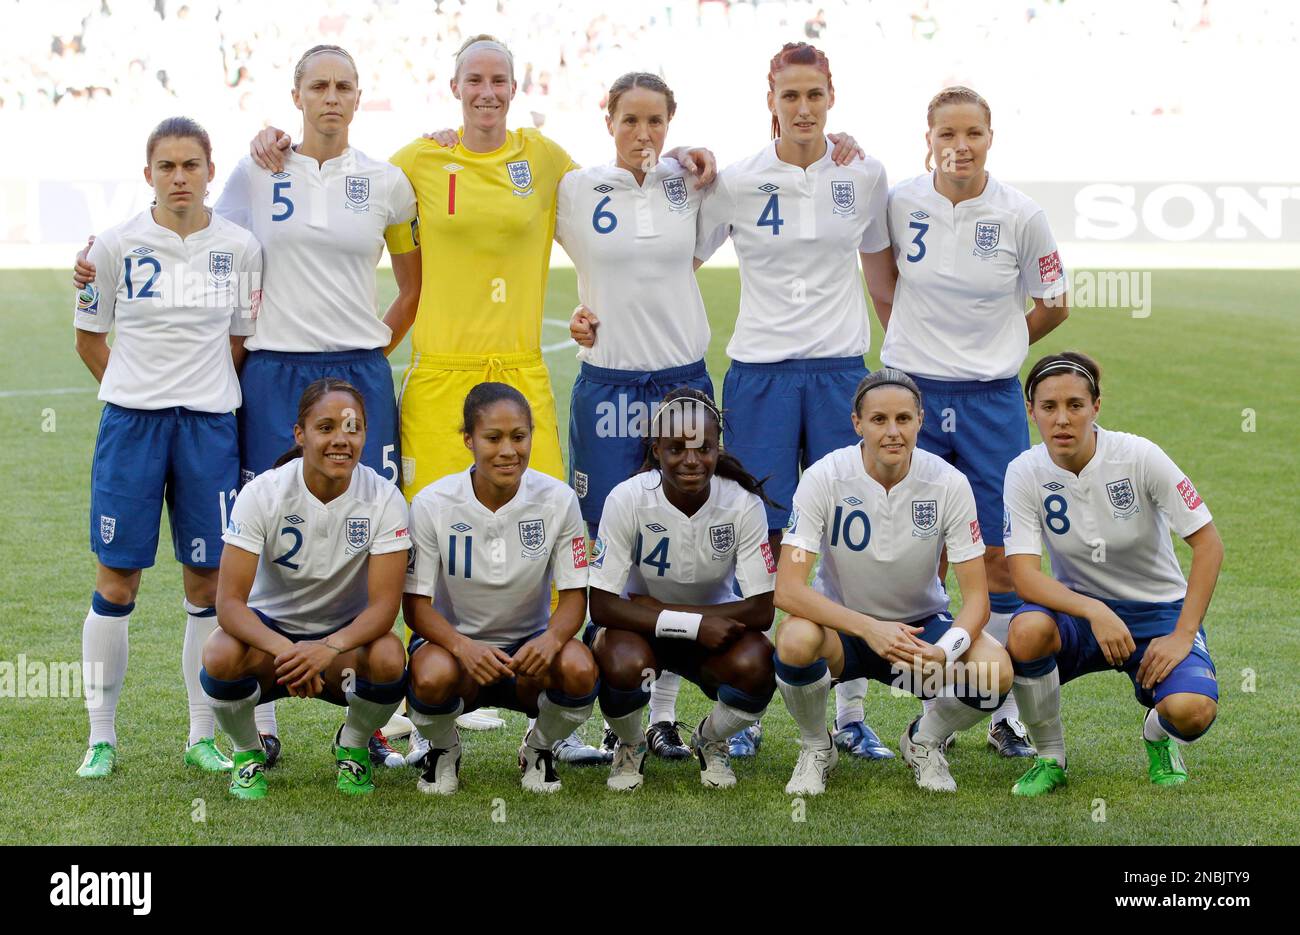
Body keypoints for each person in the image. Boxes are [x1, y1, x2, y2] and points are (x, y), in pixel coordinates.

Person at [75, 45, 421, 766]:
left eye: (343, 86)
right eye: (318, 86)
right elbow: (204, 236)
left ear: (360, 96)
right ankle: (255, 719)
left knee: (373, 527)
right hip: (269, 374)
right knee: (261, 537)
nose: (331, 97)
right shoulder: (254, 170)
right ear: (295, 96)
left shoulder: (386, 182)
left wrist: (366, 353)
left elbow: (412, 287)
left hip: (356, 370)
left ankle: (370, 718)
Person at [562, 73, 861, 762]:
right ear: (606, 118)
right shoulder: (576, 189)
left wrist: (839, 143)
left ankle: (661, 715)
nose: (643, 133)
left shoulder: (689, 180)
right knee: (613, 546)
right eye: (629, 119)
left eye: (655, 121)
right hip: (607, 385)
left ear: (672, 124)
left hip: (683, 380)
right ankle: (591, 713)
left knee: (685, 534)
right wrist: (581, 313)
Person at [694, 41, 897, 760]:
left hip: (842, 370)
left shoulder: (863, 175)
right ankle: (746, 708)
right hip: (761, 373)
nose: (804, 108)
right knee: (761, 539)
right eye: (791, 96)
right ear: (770, 100)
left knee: (850, 532)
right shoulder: (738, 180)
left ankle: (851, 710)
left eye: (815, 95)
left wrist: (896, 369)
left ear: (831, 97)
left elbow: (882, 279)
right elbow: (677, 259)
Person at [880, 86, 1070, 756]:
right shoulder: (901, 200)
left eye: (973, 134)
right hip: (915, 393)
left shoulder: (1021, 213)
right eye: (947, 134)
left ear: (992, 137)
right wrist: (910, 347)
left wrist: (1004, 344)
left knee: (999, 550)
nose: (960, 146)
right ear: (927, 137)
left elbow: (1055, 299)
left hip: (990, 399)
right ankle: (934, 693)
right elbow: (883, 281)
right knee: (914, 544)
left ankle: (1008, 715)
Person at [72, 116, 262, 779]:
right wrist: (136, 389)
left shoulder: (239, 246)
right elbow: (90, 338)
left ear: (211, 169)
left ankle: (200, 734)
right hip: (132, 427)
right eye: (166, 166)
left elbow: (240, 338)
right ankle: (101, 737)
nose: (180, 176)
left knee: (207, 582)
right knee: (116, 580)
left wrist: (196, 389)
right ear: (147, 172)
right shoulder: (116, 244)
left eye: (191, 164)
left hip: (209, 427)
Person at [773, 370, 1012, 794]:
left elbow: (977, 600)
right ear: (857, 424)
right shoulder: (824, 477)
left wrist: (944, 650)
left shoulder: (948, 483)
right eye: (879, 420)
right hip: (843, 632)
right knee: (793, 640)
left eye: (904, 419)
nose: (892, 431)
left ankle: (924, 741)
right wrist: (868, 628)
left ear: (921, 420)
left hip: (919, 631)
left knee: (994, 669)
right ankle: (816, 746)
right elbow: (788, 589)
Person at [1003, 353, 1222, 795]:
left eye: (1075, 405)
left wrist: (1183, 634)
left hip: (1157, 612)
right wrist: (1094, 611)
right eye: (1048, 407)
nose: (1062, 419)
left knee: (1193, 711)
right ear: (1031, 412)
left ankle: (1157, 735)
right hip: (1079, 616)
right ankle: (1050, 757)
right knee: (1026, 631)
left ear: (1096, 407)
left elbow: (1208, 544)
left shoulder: (1140, 456)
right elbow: (1025, 578)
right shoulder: (1024, 471)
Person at [200, 379, 411, 799]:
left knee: (389, 656)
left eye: (353, 428)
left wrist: (328, 648)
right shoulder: (263, 493)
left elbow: (385, 609)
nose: (341, 440)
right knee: (219, 653)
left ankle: (352, 747)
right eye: (326, 427)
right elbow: (228, 605)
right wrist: (289, 651)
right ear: (300, 434)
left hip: (341, 650)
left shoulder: (385, 498)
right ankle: (247, 753)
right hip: (270, 648)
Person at [402, 383, 598, 795]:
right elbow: (416, 607)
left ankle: (539, 747)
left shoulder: (558, 499)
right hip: (455, 651)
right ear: (469, 440)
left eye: (519, 437)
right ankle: (443, 749)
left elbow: (576, 595)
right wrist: (462, 647)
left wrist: (551, 639)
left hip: (528, 651)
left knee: (579, 668)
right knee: (430, 675)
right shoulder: (432, 503)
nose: (508, 450)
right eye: (493, 438)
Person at [587, 389, 778, 790]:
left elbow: (761, 610)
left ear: (716, 447)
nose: (691, 460)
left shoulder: (742, 504)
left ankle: (712, 739)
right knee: (621, 662)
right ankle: (631, 743)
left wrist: (668, 612)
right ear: (656, 450)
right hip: (640, 632)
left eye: (703, 448)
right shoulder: (628, 499)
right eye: (676, 448)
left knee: (758, 666)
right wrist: (691, 623)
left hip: (706, 634)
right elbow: (602, 605)